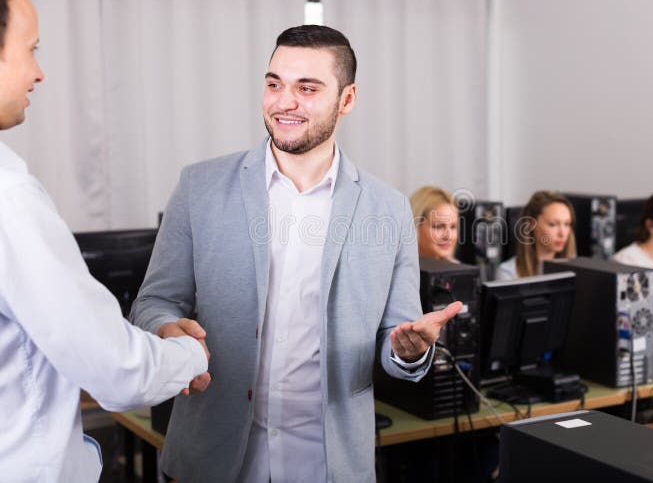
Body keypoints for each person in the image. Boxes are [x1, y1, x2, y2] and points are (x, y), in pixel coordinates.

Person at [129, 25, 462, 483]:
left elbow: (396, 338)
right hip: (214, 459)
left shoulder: (388, 209)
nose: (284, 101)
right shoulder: (199, 187)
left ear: (347, 100)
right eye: (274, 84)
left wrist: (407, 351)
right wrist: (165, 327)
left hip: (328, 466)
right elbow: (151, 303)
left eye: (307, 88)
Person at [0, 0, 209, 482]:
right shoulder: (9, 199)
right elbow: (116, 371)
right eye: (31, 49)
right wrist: (190, 353)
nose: (39, 72)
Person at [495, 190, 576, 280]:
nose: (562, 233)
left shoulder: (576, 272)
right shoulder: (507, 273)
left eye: (567, 224)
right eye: (553, 224)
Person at [410, 185, 459, 261]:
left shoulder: (459, 270)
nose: (448, 236)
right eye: (438, 226)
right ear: (415, 227)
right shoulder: (396, 271)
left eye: (453, 227)